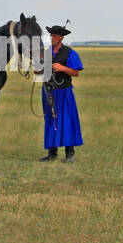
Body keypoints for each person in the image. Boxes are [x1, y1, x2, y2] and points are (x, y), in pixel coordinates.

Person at [38, 24, 84, 162]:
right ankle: (52, 153)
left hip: (64, 91)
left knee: (67, 120)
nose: (52, 38)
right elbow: (40, 71)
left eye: (55, 36)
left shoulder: (69, 52)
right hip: (48, 91)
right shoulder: (45, 52)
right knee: (50, 120)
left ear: (61, 38)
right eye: (51, 35)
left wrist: (62, 68)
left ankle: (69, 153)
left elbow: (75, 72)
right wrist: (38, 69)